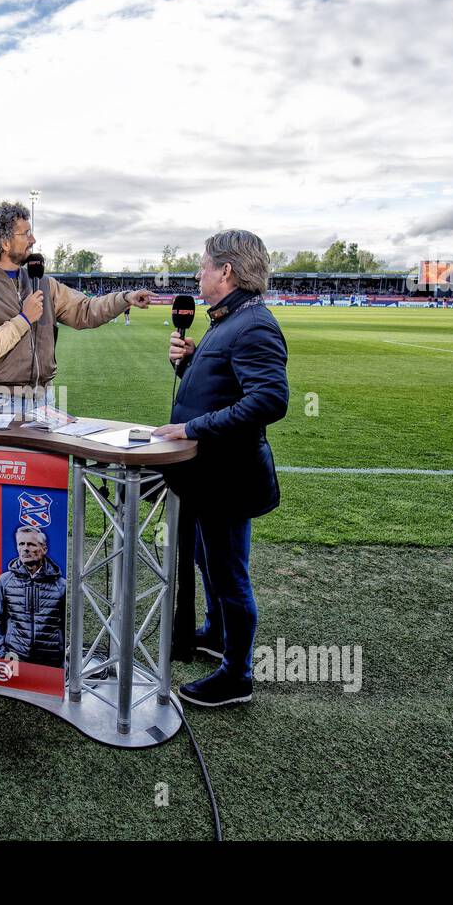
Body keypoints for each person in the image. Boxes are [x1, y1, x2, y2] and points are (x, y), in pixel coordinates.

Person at [153, 229, 289, 708]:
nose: (198, 273)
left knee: (230, 573)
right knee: (208, 561)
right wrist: (189, 363)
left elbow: (270, 400)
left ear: (226, 271)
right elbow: (223, 383)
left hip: (229, 474)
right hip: (209, 474)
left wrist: (193, 429)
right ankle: (215, 632)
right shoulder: (227, 319)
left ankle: (237, 675)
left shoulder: (253, 324)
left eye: (204, 264)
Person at [0, 201, 152, 414]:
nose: (33, 239)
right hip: (2, 402)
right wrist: (23, 318)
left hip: (44, 397)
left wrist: (125, 298)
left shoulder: (43, 282)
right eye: (26, 234)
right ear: (5, 243)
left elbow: (85, 310)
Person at [0, 526, 66, 668]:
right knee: (14, 690)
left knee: (45, 691)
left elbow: (70, 626)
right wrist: (1, 654)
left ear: (44, 549)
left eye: (31, 544)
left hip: (51, 662)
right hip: (15, 659)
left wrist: (64, 657)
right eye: (21, 544)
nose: (25, 549)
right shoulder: (4, 581)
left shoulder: (61, 586)